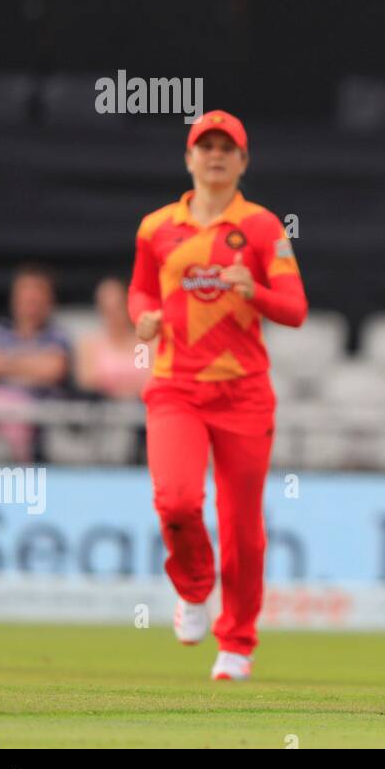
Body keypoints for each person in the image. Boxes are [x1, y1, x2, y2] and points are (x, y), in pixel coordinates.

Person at [128, 110, 307, 682]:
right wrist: (142, 319)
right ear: (188, 158)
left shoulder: (261, 228)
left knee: (241, 525)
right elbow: (137, 290)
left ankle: (238, 643)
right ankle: (193, 587)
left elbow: (296, 310)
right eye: (204, 146)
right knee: (177, 502)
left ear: (242, 161)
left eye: (226, 148)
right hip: (175, 388)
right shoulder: (156, 227)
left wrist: (255, 290)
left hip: (243, 394)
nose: (214, 155)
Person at [0, 263, 71, 399]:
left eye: (35, 297)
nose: (30, 300)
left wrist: (0, 362)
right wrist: (30, 364)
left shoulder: (58, 335)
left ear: (50, 300)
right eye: (24, 294)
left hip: (36, 409)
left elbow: (53, 370)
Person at [73, 276, 150, 400]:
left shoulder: (145, 344)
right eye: (107, 309)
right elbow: (87, 383)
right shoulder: (89, 343)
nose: (113, 315)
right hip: (101, 411)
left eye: (118, 307)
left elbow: (149, 379)